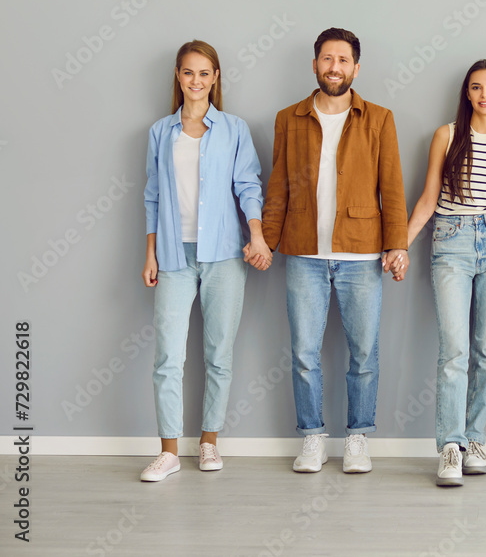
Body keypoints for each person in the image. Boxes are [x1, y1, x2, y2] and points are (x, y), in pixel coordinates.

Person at [261, 27, 408, 474]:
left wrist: (396, 245)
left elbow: (393, 189)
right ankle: (312, 438)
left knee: (363, 353)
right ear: (315, 64)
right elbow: (279, 187)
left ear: (356, 68)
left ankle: (357, 438)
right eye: (327, 59)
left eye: (343, 60)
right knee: (304, 352)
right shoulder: (289, 118)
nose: (334, 68)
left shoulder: (379, 118)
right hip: (303, 252)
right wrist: (266, 241)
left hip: (361, 254)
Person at [140, 40, 270, 482]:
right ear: (178, 77)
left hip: (226, 256)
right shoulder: (160, 132)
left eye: (204, 73)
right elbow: (152, 196)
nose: (196, 81)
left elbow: (248, 186)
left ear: (215, 78)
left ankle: (210, 442)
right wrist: (151, 253)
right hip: (175, 257)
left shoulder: (234, 129)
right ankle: (169, 452)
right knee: (167, 358)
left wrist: (256, 235)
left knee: (219, 354)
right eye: (188, 73)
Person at [406, 60, 486, 487]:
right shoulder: (447, 135)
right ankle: (450, 448)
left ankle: (476, 439)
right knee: (455, 350)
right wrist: (400, 244)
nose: (484, 95)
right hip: (452, 239)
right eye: (476, 87)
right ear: (467, 93)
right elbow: (427, 198)